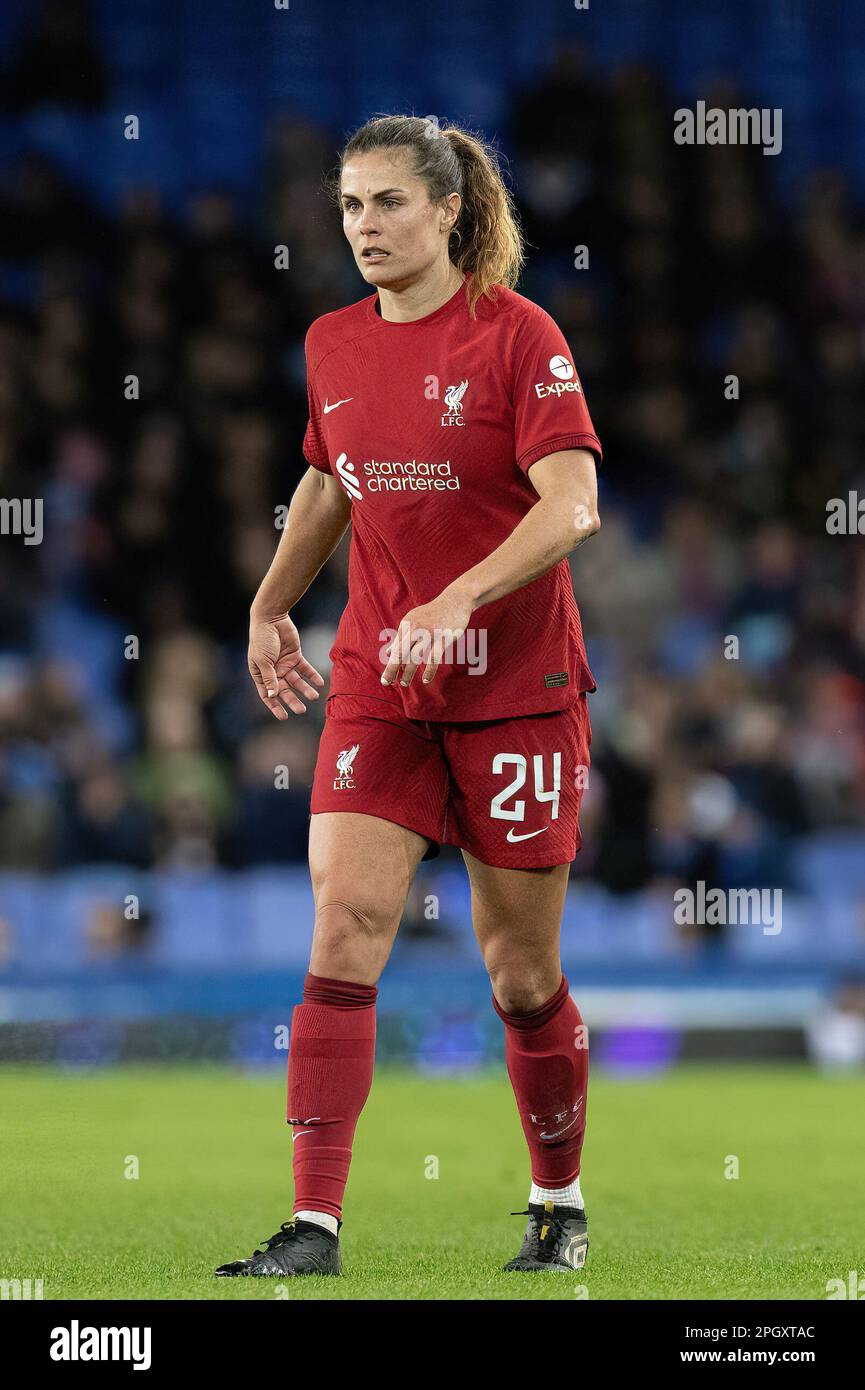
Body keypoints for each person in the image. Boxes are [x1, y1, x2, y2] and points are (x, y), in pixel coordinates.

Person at [216, 114, 602, 1278]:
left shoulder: (515, 335)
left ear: (447, 211)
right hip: (382, 680)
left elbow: (572, 502)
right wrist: (271, 599)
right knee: (342, 923)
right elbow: (333, 479)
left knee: (517, 972)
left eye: (388, 202)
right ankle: (313, 1225)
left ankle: (557, 1201)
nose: (365, 227)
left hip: (516, 689)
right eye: (348, 206)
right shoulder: (332, 342)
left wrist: (460, 599)